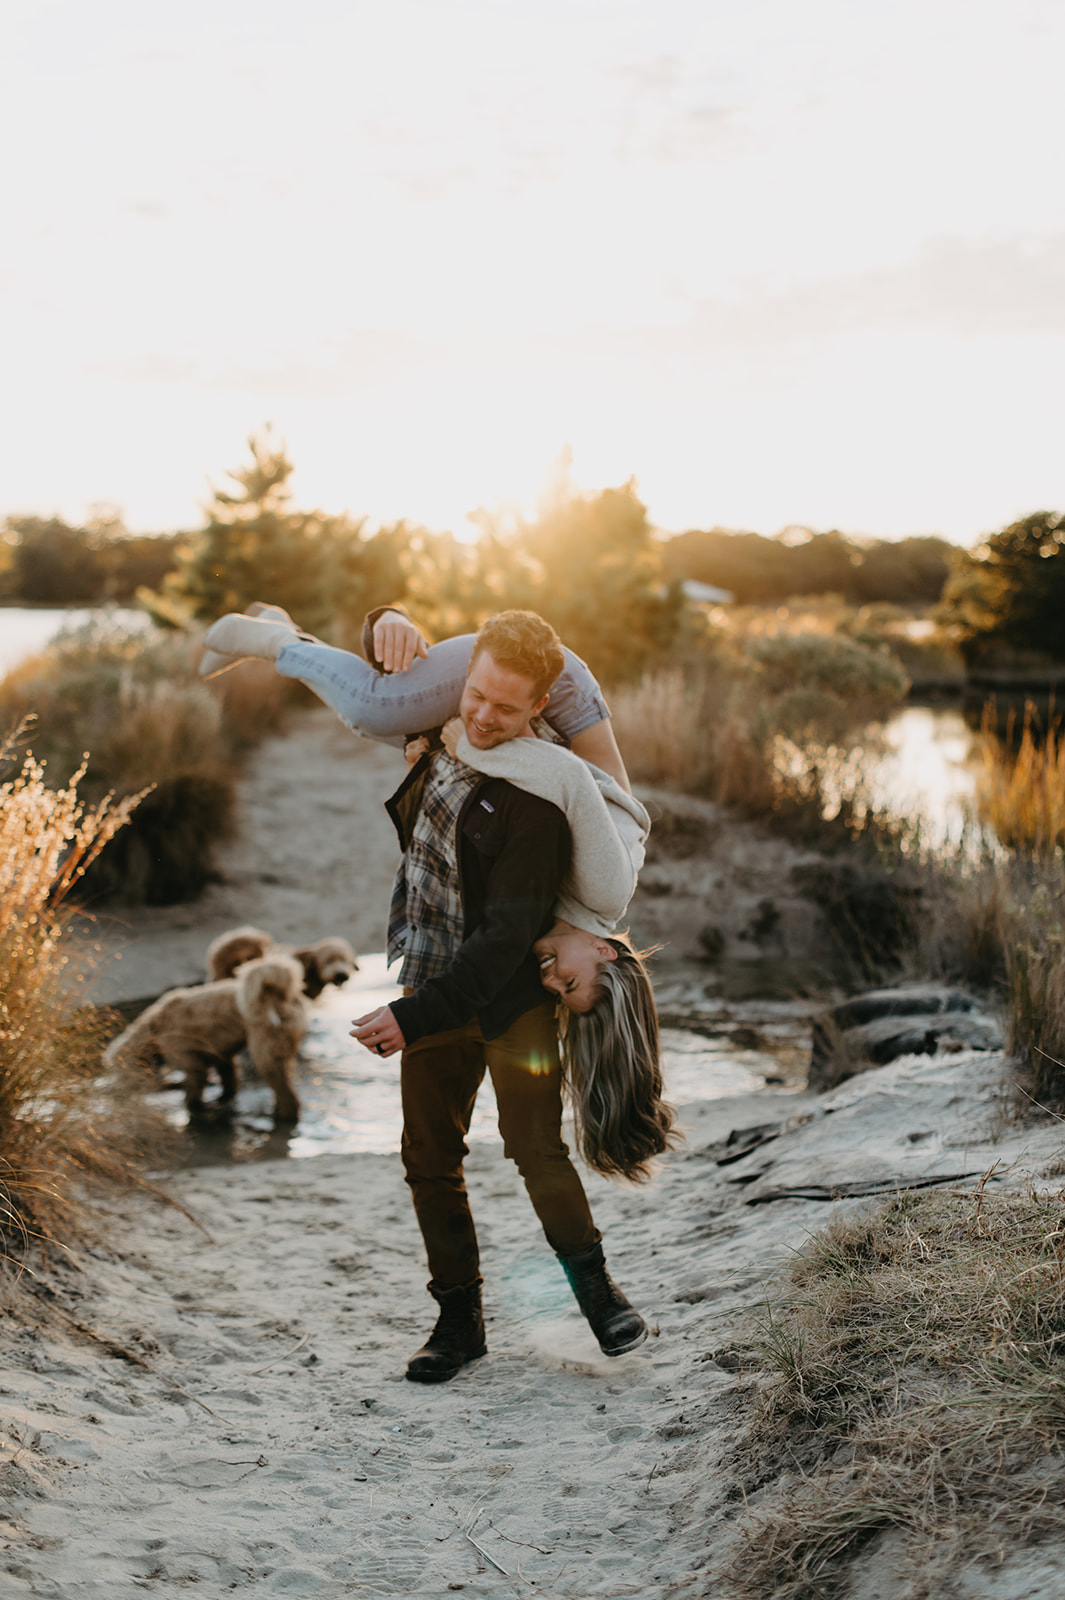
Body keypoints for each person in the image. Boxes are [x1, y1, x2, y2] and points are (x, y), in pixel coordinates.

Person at [202, 604, 677, 1185]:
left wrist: (437, 756)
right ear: (606, 952)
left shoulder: (569, 916)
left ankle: (310, 634)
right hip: (547, 681)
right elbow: (570, 779)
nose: (551, 980)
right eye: (569, 983)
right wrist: (463, 745)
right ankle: (272, 636)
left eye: (557, 994)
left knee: (415, 713)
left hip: (535, 707)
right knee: (370, 710)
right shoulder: (604, 890)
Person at [350, 610, 650, 1381]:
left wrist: (408, 1016)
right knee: (428, 1157)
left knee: (534, 1147)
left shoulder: (546, 798)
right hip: (430, 969)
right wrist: (381, 619)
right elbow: (378, 684)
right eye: (476, 694)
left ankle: (597, 1291)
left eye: (506, 707)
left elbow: (507, 938)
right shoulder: (438, 741)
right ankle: (457, 1323)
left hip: (511, 996)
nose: (484, 715)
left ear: (537, 710)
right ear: (464, 680)